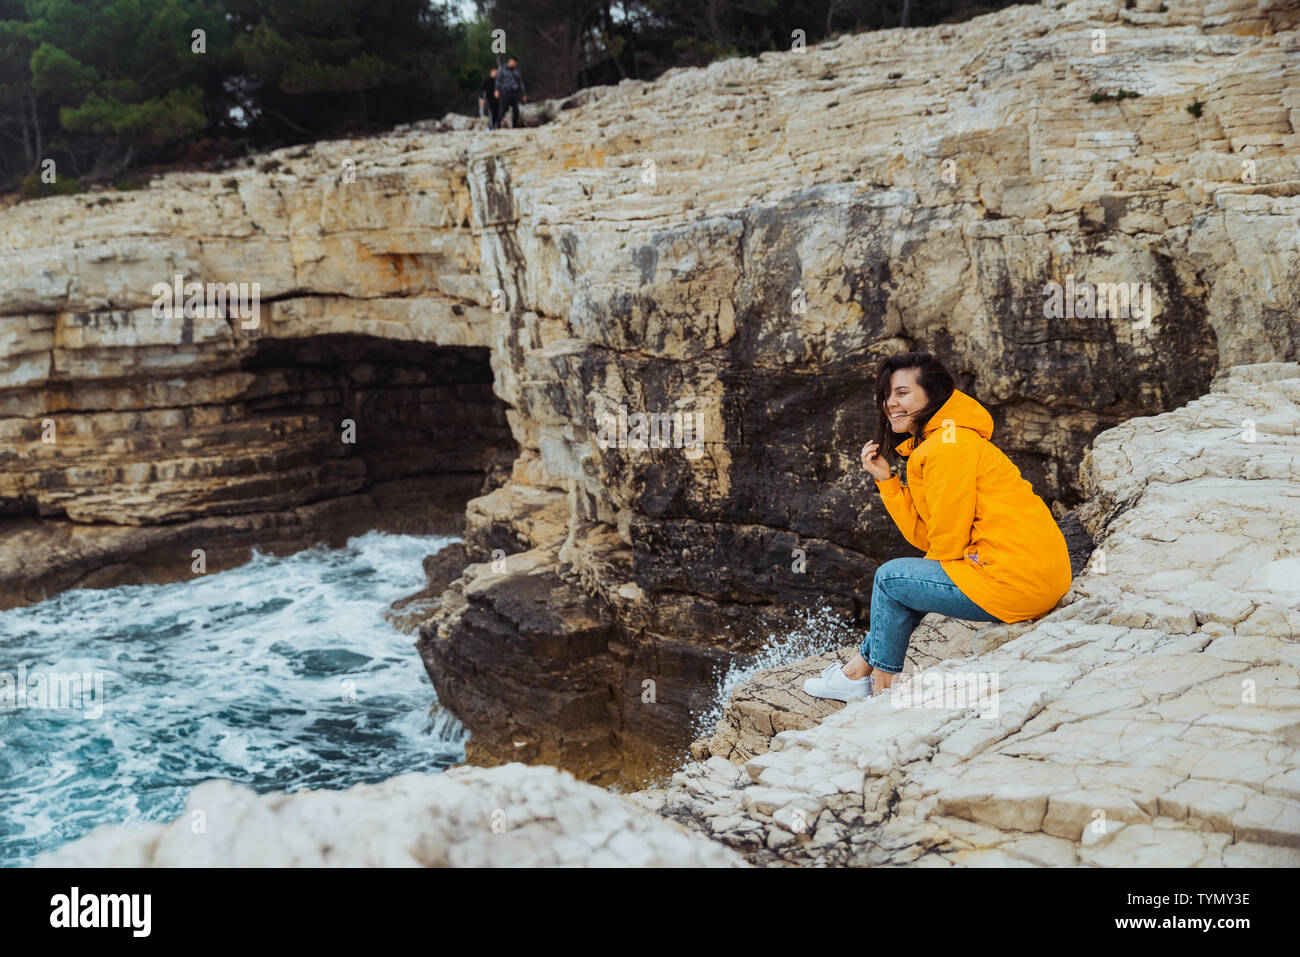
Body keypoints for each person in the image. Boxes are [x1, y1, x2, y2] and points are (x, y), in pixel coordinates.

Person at [803, 351, 1073, 701]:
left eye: (902, 393)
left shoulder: (948, 447)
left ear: (933, 394)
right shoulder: (941, 441)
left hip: (1015, 581)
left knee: (890, 581)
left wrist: (910, 585)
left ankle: (879, 692)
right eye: (887, 395)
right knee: (903, 584)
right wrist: (887, 482)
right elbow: (928, 534)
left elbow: (947, 540)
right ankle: (855, 674)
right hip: (1035, 576)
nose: (890, 403)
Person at [494, 56, 527, 129]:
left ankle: (515, 126)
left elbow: (520, 83)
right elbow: (498, 80)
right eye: (514, 62)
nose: (515, 64)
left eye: (516, 63)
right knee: (504, 108)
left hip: (515, 92)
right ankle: (498, 123)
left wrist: (523, 94)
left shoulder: (517, 71)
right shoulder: (502, 69)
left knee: (516, 109)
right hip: (505, 91)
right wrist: (496, 90)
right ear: (510, 61)